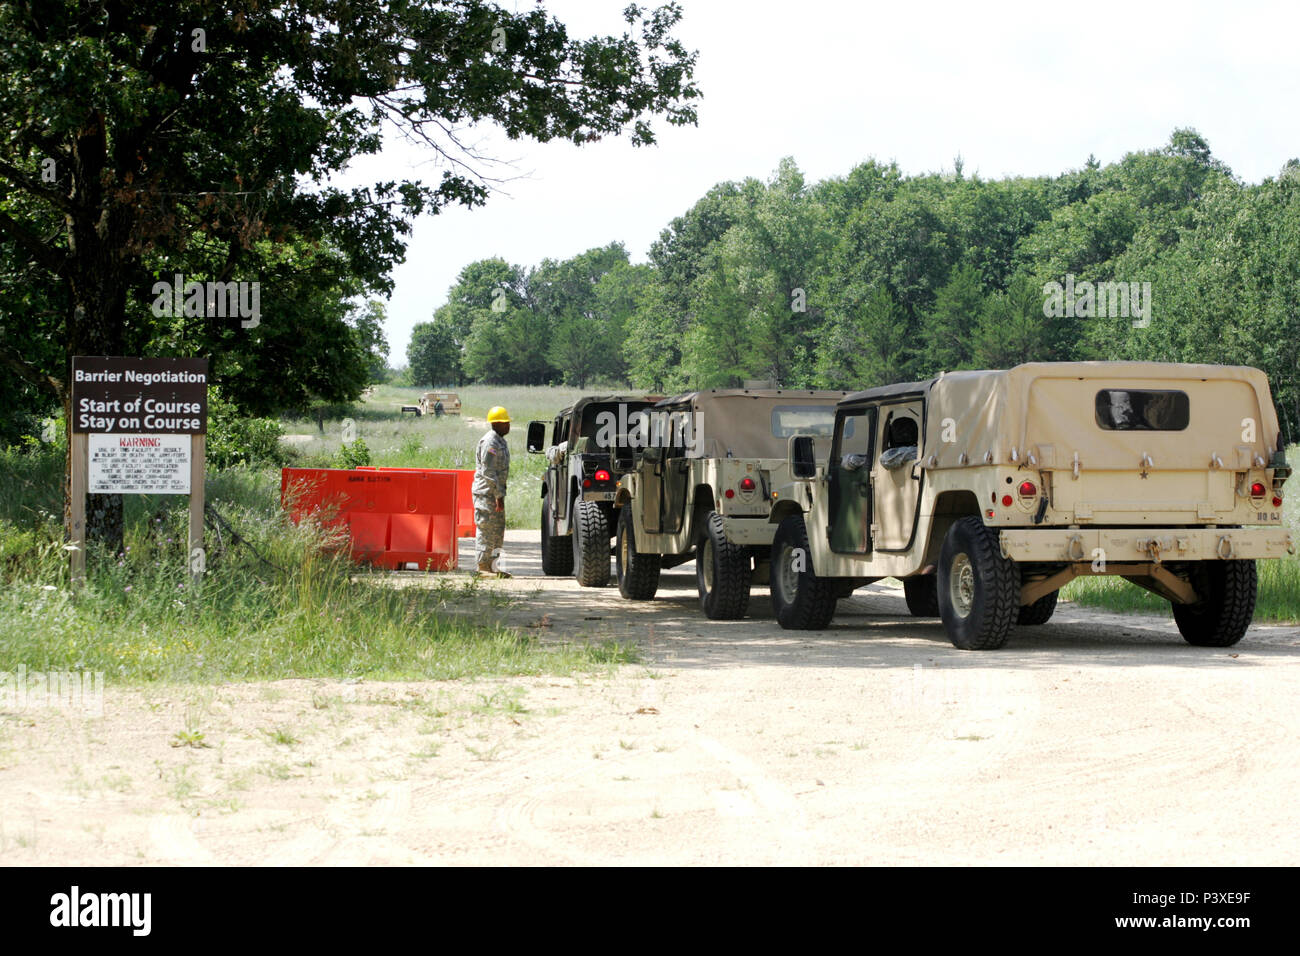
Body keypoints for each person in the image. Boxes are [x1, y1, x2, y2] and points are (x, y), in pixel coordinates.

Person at [472, 406, 512, 577]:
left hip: (495, 493)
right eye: (506, 423)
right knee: (486, 529)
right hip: (487, 493)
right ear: (497, 424)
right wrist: (498, 495)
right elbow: (488, 471)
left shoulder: (499, 441)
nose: (508, 426)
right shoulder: (490, 443)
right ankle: (482, 567)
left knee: (497, 530)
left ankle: (493, 567)